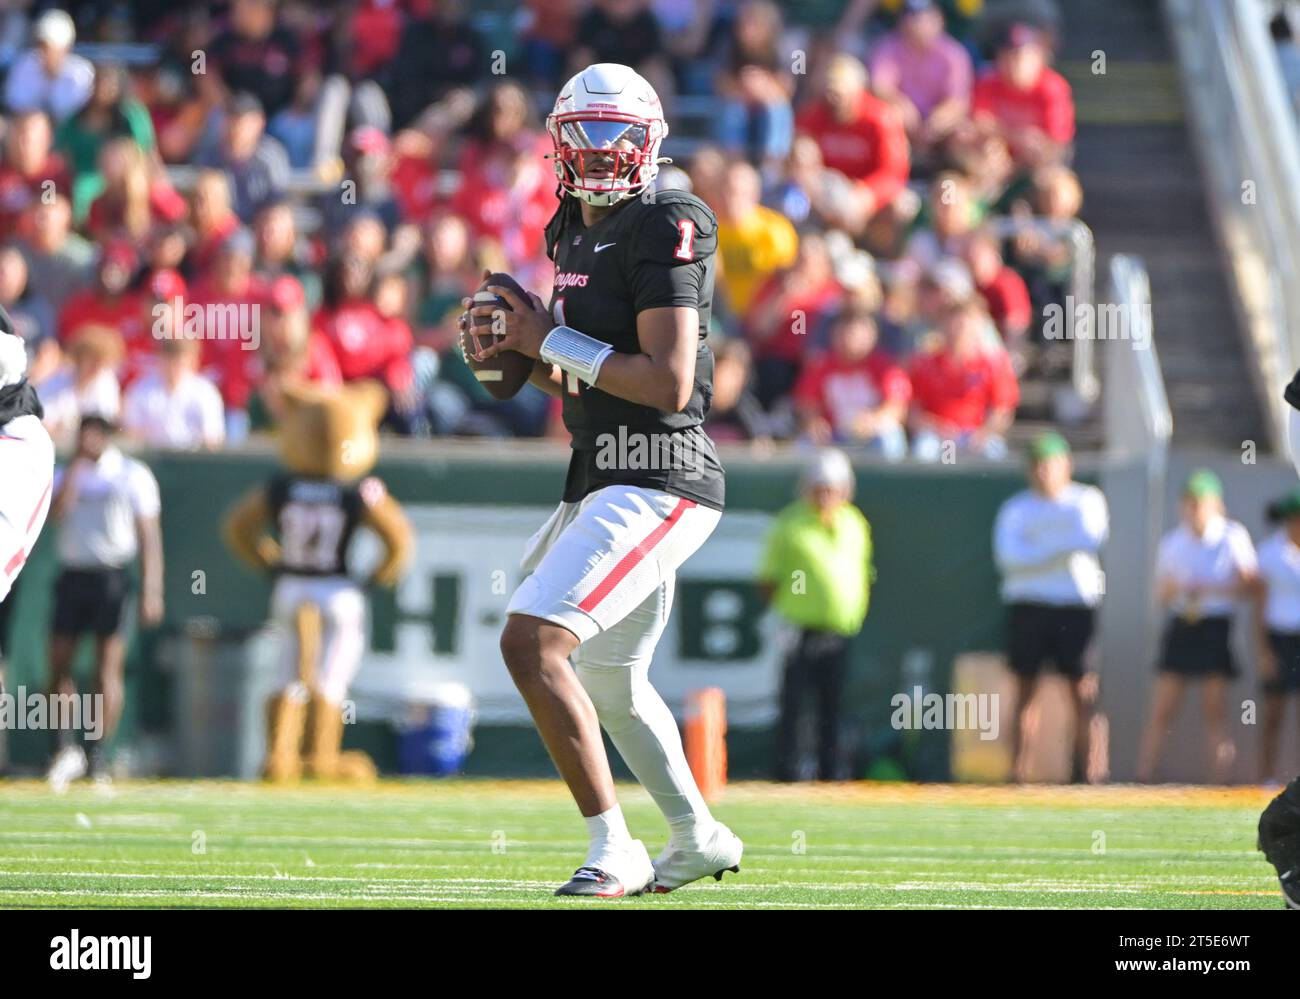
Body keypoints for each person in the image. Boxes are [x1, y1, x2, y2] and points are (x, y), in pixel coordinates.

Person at [461, 63, 741, 897]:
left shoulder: (667, 219)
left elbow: (667, 383)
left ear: (649, 140)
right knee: (611, 680)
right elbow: (581, 377)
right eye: (582, 133)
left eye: (615, 132)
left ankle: (613, 844)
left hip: (661, 476)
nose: (597, 149)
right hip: (599, 476)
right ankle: (697, 835)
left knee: (533, 640)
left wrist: (543, 338)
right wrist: (514, 353)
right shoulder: (570, 228)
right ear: (556, 143)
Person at [45, 415, 164, 787]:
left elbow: (149, 536)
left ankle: (98, 752)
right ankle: (64, 749)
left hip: (111, 577)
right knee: (59, 663)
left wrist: (151, 588)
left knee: (106, 667)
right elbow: (55, 516)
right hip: (73, 574)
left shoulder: (131, 474)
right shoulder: (66, 473)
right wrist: (76, 473)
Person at [992, 431, 1108, 783]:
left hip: (1074, 608)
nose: (1043, 472)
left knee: (1083, 693)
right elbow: (1011, 559)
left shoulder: (1086, 500)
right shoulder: (1016, 508)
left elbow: (1089, 538)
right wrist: (1061, 549)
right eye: (1036, 465)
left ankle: (1089, 775)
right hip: (1029, 608)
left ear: (1066, 465)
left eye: (1049, 464)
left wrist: (1038, 550)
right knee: (1024, 691)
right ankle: (1018, 773)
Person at [758, 448, 873, 782]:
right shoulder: (790, 522)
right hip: (799, 629)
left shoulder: (854, 522)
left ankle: (830, 772)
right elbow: (769, 577)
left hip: (839, 631)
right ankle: (787, 771)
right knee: (794, 704)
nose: (825, 494)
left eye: (832, 487)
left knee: (833, 706)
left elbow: (863, 573)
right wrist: (786, 611)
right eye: (820, 486)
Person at [1137, 470, 1256, 784]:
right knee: (1163, 706)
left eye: (1199, 503)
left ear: (1215, 504)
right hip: (1183, 626)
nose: (1193, 510)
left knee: (1215, 709)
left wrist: (1208, 588)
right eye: (1188, 503)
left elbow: (1250, 586)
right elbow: (1162, 592)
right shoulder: (1173, 541)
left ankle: (1219, 781)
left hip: (1216, 627)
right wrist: (1179, 588)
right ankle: (1144, 775)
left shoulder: (1233, 536)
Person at [1253, 489, 1300, 783]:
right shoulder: (1270, 553)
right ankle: (1266, 779)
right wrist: (1264, 651)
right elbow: (1259, 606)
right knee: (1272, 713)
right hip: (1279, 639)